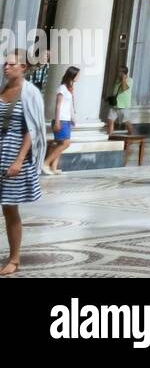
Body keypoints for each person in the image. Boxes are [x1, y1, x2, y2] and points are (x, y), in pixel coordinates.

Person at [0, 52, 45, 276]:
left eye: (11, 64)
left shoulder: (30, 93)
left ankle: (14, 258)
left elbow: (32, 130)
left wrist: (19, 160)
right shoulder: (2, 89)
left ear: (23, 67)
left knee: (9, 209)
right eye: (4, 64)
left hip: (13, 156)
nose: (6, 68)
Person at [43, 66, 77, 175]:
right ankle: (45, 163)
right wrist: (57, 121)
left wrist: (72, 118)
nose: (78, 77)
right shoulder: (62, 88)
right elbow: (58, 105)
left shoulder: (70, 89)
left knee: (60, 144)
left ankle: (53, 167)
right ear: (72, 75)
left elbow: (70, 105)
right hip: (60, 120)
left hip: (66, 120)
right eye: (77, 74)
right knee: (66, 143)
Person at [104, 68, 132, 136]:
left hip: (123, 105)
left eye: (119, 72)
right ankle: (109, 136)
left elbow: (124, 88)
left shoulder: (130, 80)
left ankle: (130, 135)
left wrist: (123, 79)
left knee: (126, 122)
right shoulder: (117, 80)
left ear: (123, 73)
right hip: (115, 105)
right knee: (110, 120)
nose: (118, 73)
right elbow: (116, 92)